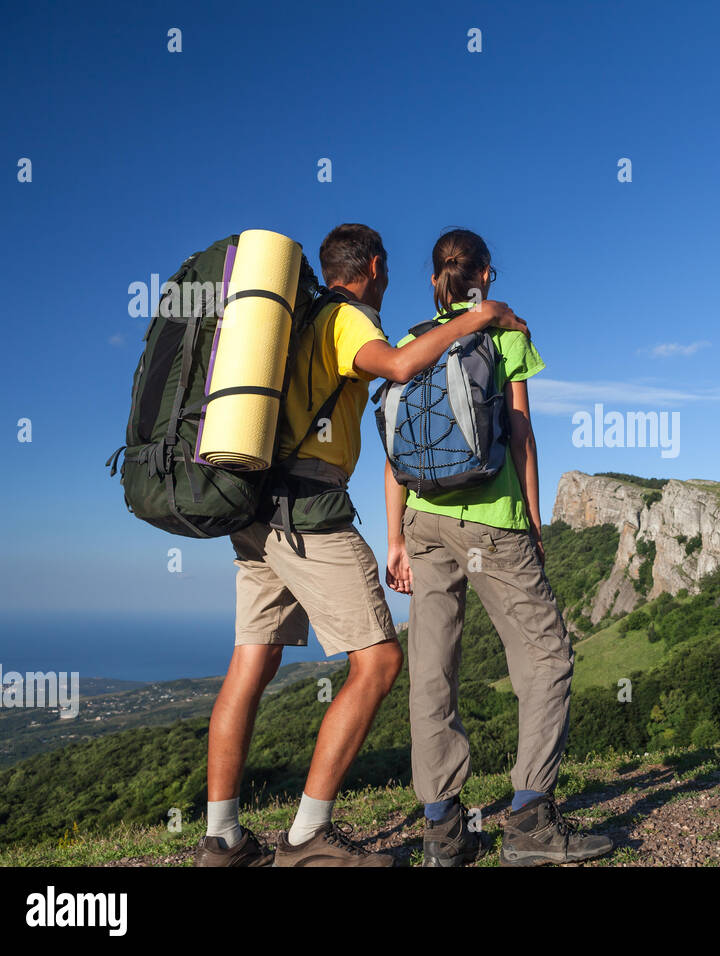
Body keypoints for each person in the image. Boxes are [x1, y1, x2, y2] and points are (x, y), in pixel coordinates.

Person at [195, 223, 527, 867]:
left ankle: (221, 838)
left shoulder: (291, 322)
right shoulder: (347, 319)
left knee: (251, 667)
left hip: (254, 505)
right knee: (377, 664)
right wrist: (477, 318)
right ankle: (307, 836)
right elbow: (399, 365)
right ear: (374, 265)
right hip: (310, 512)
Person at [385, 228, 613, 867]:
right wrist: (535, 522)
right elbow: (521, 434)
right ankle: (530, 822)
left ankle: (442, 833)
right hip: (492, 520)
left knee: (432, 673)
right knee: (546, 657)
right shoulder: (504, 335)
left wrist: (396, 538)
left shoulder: (409, 344)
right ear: (485, 274)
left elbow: (393, 456)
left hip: (424, 524)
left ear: (435, 278)